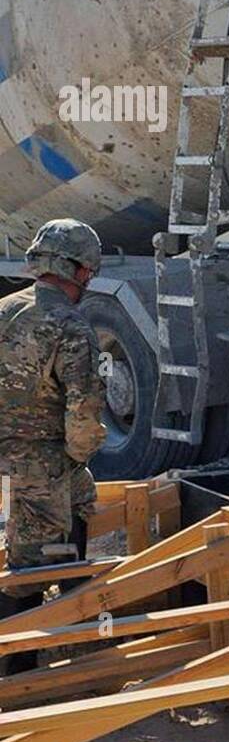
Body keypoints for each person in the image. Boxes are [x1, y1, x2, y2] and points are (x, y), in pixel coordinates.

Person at [0, 220, 106, 669]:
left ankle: (73, 621)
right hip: (40, 464)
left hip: (9, 459)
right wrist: (75, 457)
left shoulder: (4, 308)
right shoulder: (70, 327)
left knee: (83, 501)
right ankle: (19, 678)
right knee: (28, 573)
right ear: (81, 272)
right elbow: (82, 417)